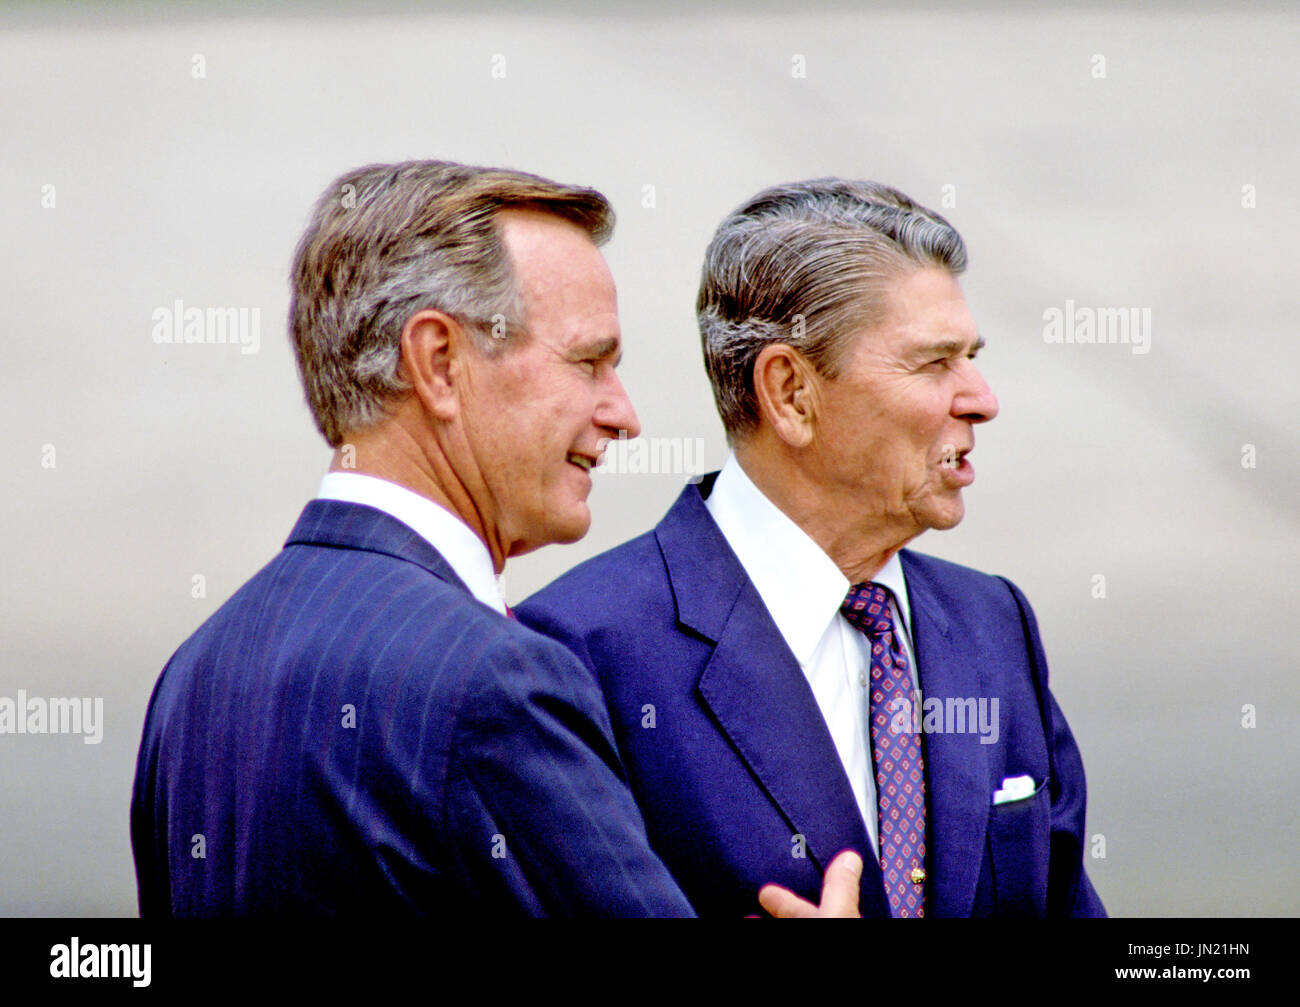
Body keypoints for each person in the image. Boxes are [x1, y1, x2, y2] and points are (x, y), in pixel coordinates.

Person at [129, 160, 862, 917]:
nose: (624, 413)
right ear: (439, 363)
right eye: (589, 362)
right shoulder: (494, 682)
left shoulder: (197, 671)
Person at [517, 178, 1107, 917]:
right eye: (934, 362)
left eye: (972, 356)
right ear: (791, 392)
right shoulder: (573, 653)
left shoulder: (993, 622)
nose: (982, 397)